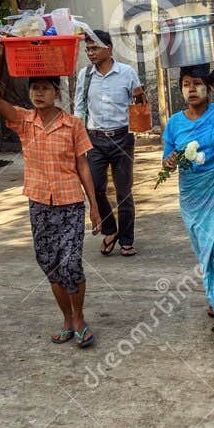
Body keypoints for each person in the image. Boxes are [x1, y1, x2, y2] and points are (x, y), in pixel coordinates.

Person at [0, 39, 102, 347]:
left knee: (71, 263)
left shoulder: (73, 125)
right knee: (49, 263)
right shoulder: (25, 122)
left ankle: (79, 318)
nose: (39, 94)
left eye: (45, 88)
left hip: (70, 204)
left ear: (57, 92)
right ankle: (66, 319)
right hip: (39, 203)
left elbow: (82, 166)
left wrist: (94, 206)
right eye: (34, 89)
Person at [161, 65, 214, 338]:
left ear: (207, 88)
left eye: (196, 83)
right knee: (204, 250)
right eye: (185, 84)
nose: (191, 89)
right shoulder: (174, 123)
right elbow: (167, 162)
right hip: (192, 194)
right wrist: (170, 162)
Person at [74, 28, 145, 257]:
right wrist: (76, 136)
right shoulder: (85, 75)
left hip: (122, 138)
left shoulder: (127, 72)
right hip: (94, 140)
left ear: (109, 48)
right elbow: (79, 108)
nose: (91, 53)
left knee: (124, 191)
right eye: (88, 49)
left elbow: (139, 104)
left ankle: (126, 239)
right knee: (94, 187)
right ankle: (110, 229)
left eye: (94, 48)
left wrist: (141, 101)